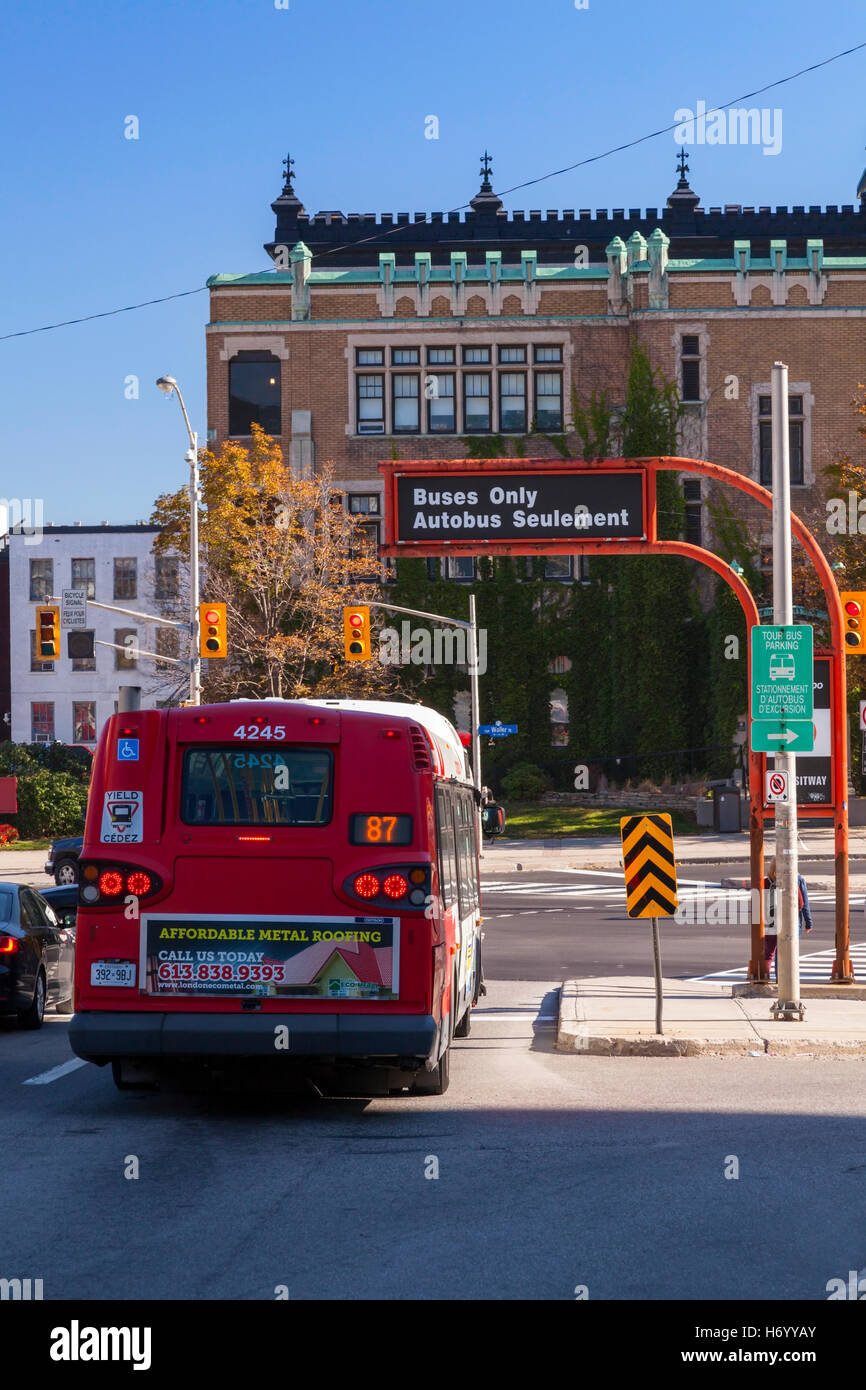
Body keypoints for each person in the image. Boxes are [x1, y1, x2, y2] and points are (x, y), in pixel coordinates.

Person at [763, 857, 813, 983]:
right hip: (791, 921)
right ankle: (786, 982)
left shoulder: (765, 882)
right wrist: (808, 922)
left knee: (769, 953)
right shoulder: (795, 880)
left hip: (771, 921)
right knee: (788, 952)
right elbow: (802, 903)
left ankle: (765, 977)